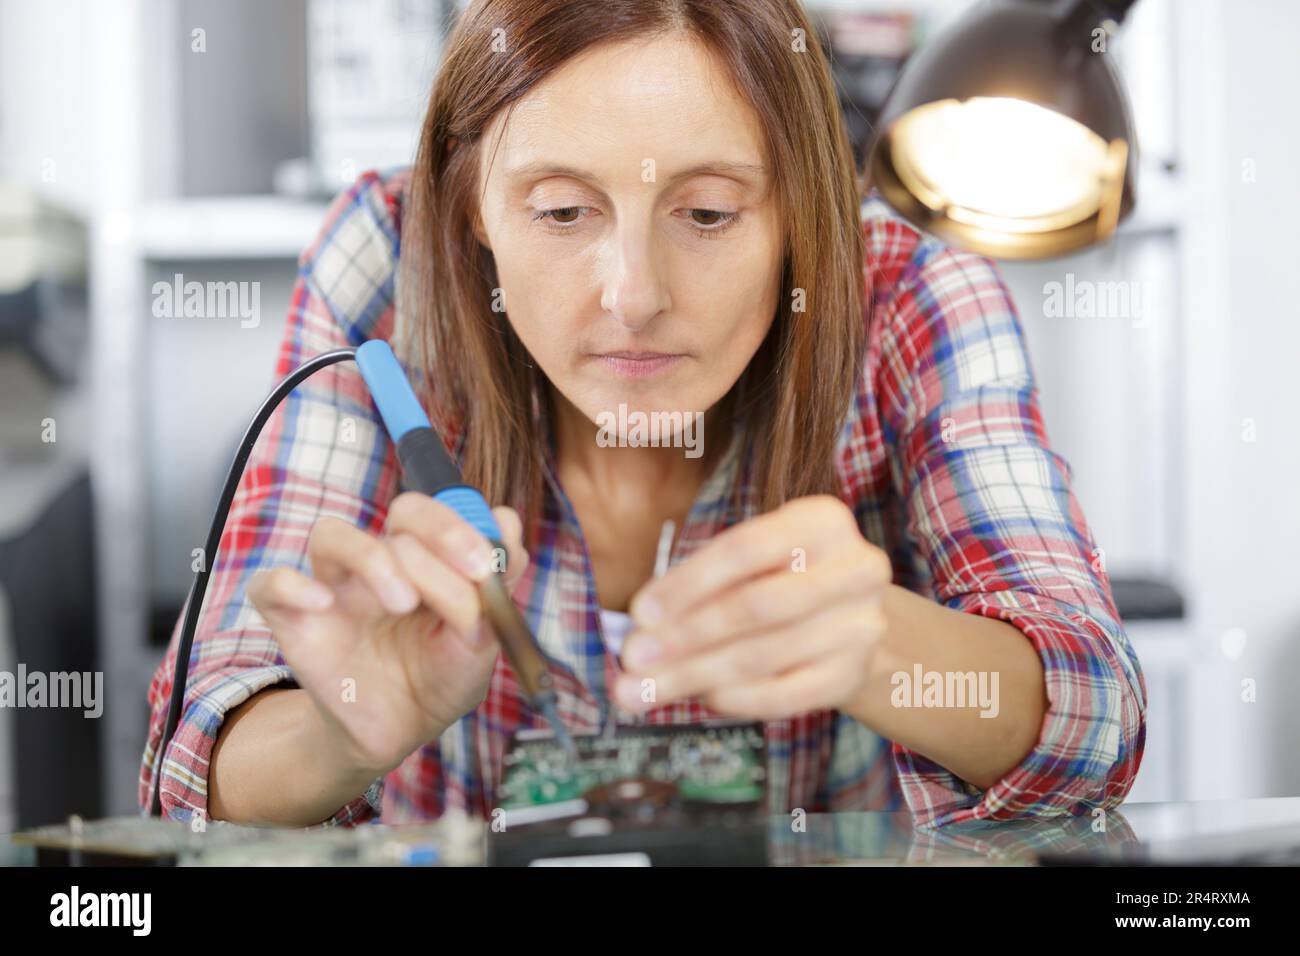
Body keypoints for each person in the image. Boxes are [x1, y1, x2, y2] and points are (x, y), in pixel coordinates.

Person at [140, 0, 1145, 829]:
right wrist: (339, 730)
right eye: (563, 211)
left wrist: (879, 642)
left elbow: (1098, 718)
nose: (634, 294)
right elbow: (191, 771)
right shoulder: (388, 262)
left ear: (798, 206)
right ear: (469, 206)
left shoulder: (909, 296)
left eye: (707, 213)